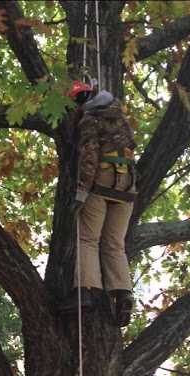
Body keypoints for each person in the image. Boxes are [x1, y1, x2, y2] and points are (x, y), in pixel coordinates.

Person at [63, 80, 138, 328]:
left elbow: (88, 157)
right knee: (115, 244)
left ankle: (85, 291)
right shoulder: (120, 117)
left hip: (102, 180)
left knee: (87, 239)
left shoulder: (90, 120)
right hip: (127, 185)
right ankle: (123, 293)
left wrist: (82, 192)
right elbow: (131, 146)